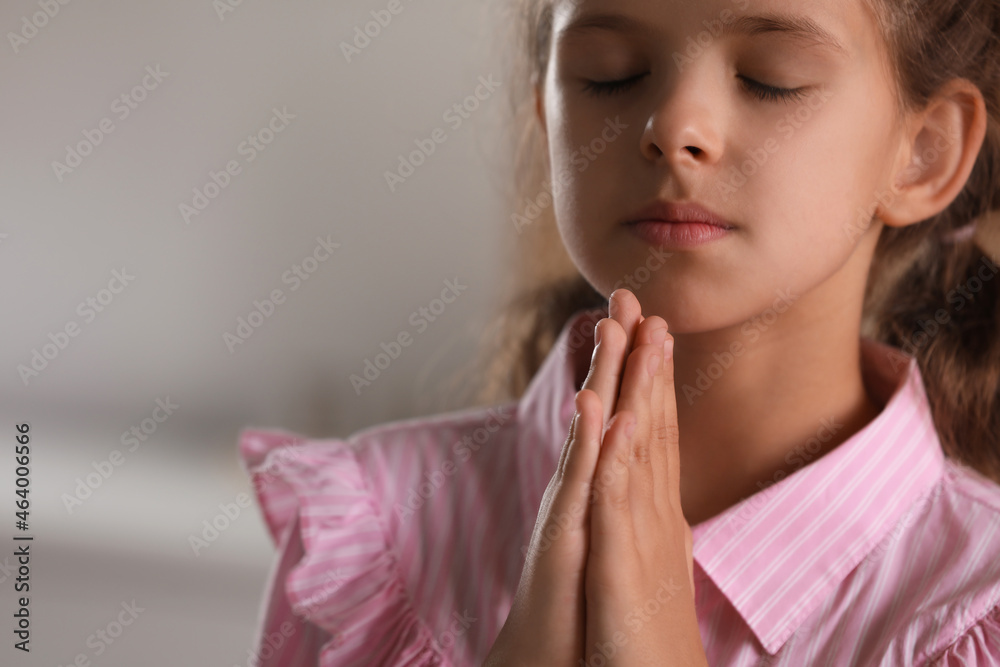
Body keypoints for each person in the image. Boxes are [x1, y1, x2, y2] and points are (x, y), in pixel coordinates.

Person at [238, 0, 1000, 664]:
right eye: (610, 72)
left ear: (925, 152)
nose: (674, 126)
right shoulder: (368, 536)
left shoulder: (978, 611)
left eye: (770, 76)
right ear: (547, 112)